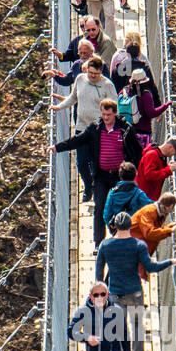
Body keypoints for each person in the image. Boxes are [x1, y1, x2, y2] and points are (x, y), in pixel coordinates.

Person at [96, 212, 176, 351]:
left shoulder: (105, 245)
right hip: (135, 292)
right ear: (131, 226)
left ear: (115, 226)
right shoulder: (138, 245)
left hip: (115, 293)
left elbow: (99, 272)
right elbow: (150, 267)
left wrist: (101, 294)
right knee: (137, 327)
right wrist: (171, 261)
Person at [53, 98, 143, 248]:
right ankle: (99, 243)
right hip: (101, 175)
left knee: (121, 208)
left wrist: (135, 173)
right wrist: (57, 147)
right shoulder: (95, 128)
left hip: (120, 177)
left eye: (108, 114)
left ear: (115, 113)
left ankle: (121, 240)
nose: (105, 118)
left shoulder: (125, 129)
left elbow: (137, 151)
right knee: (99, 207)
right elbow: (77, 140)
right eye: (103, 114)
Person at [51, 54, 117, 202]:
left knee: (96, 161)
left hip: (99, 130)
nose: (93, 76)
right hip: (81, 127)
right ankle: (88, 187)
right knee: (81, 162)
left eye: (96, 74)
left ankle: (98, 187)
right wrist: (59, 107)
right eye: (90, 73)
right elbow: (73, 97)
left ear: (101, 72)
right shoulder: (80, 79)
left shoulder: (107, 85)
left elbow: (114, 107)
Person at [69, 282, 131, 351]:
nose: (100, 298)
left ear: (107, 294)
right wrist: (87, 338)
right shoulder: (83, 311)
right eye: (96, 295)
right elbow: (71, 331)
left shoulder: (117, 311)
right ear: (91, 296)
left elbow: (124, 335)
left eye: (103, 294)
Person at [122, 68, 171, 146]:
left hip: (127, 131)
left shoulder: (125, 92)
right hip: (143, 133)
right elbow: (151, 113)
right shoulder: (146, 95)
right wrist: (165, 105)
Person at [102, 161, 151, 233]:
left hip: (119, 231)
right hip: (134, 230)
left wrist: (113, 230)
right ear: (135, 175)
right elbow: (151, 206)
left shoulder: (112, 193)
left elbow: (106, 215)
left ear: (120, 176)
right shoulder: (138, 193)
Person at [110, 32, 160, 101]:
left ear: (127, 53)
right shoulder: (144, 66)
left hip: (123, 105)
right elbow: (151, 86)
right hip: (141, 103)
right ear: (139, 53)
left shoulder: (117, 58)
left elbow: (112, 86)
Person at [131, 192, 176, 261]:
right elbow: (149, 233)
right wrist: (169, 230)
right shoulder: (149, 212)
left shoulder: (158, 213)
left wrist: (169, 228)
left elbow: (155, 230)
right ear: (170, 207)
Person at [136, 136, 176, 202]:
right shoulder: (152, 155)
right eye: (175, 153)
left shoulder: (159, 155)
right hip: (145, 197)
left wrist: (168, 167)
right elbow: (149, 175)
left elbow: (157, 170)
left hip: (148, 196)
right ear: (170, 147)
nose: (173, 155)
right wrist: (168, 170)